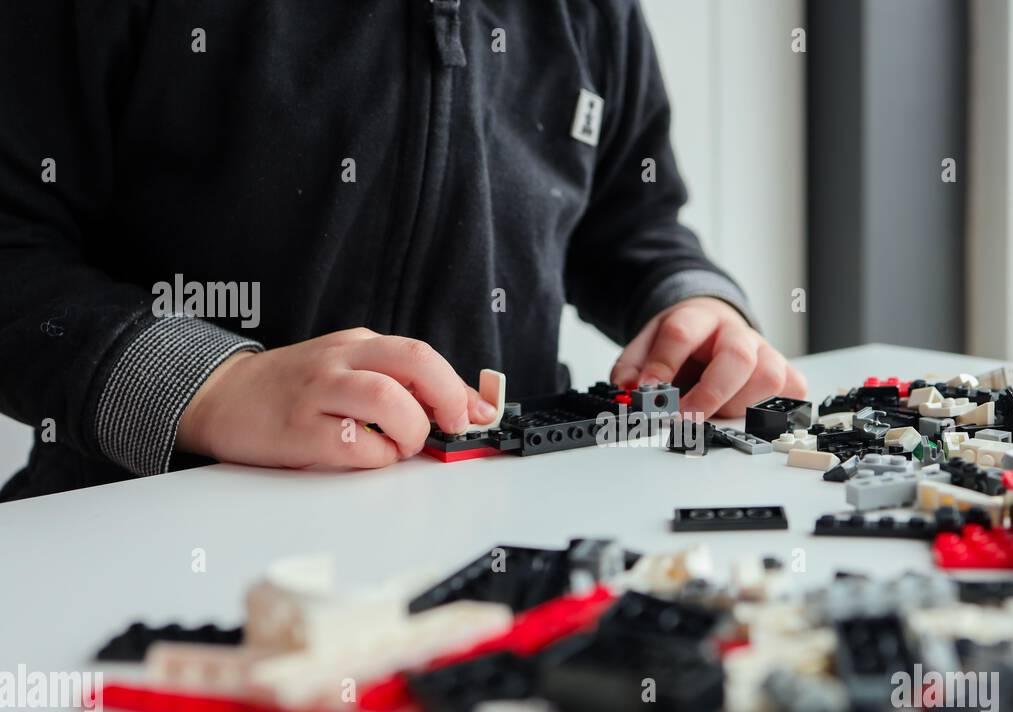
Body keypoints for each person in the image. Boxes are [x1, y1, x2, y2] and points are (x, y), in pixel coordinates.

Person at [0, 0, 805, 501]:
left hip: (489, 540)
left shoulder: (591, 13)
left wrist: (691, 303)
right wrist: (214, 389)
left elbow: (630, 216)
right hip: (131, 532)